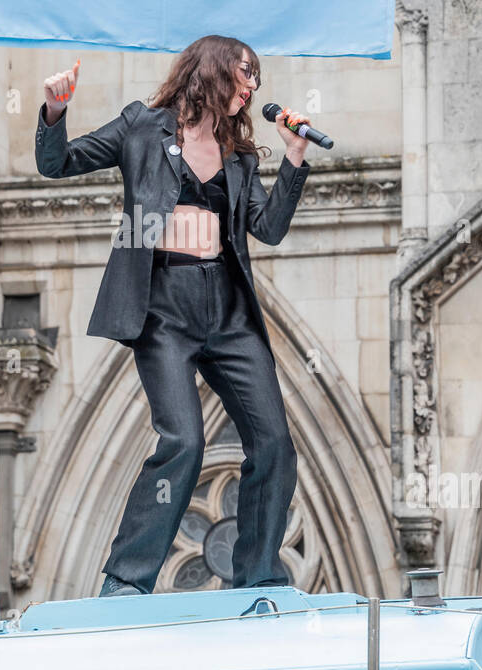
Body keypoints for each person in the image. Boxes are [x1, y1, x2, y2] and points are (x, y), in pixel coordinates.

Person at [35, 34, 313, 596]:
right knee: (183, 441)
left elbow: (269, 228)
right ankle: (127, 578)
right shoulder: (143, 127)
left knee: (275, 444)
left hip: (229, 312)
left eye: (256, 76)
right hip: (165, 308)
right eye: (243, 73)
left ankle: (258, 577)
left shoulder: (237, 155)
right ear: (210, 70)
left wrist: (294, 159)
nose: (252, 85)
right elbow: (57, 163)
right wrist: (55, 111)